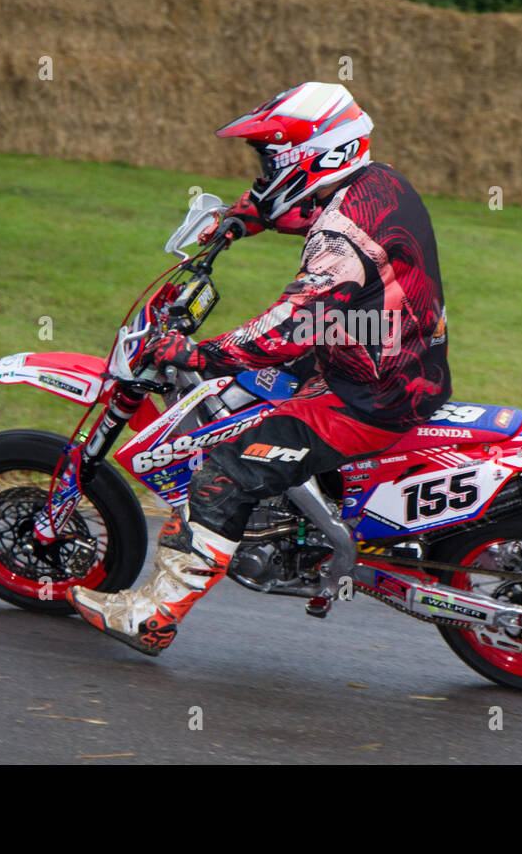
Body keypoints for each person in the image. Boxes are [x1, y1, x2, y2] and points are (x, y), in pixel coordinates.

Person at [69, 82, 451, 655]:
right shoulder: (379, 182)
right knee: (248, 398)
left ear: (314, 155)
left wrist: (196, 354)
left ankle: (153, 616)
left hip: (369, 391)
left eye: (272, 157)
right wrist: (248, 217)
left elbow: (287, 328)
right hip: (384, 354)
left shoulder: (340, 239)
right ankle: (300, 516)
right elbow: (306, 210)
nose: (266, 168)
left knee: (223, 472)